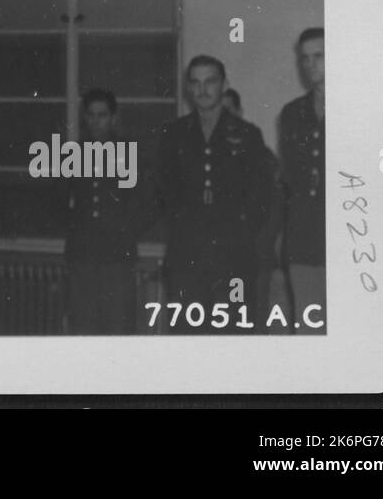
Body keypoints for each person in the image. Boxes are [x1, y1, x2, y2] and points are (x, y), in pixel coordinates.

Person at [154, 55, 269, 333]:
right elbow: (163, 191)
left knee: (234, 338)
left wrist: (239, 232)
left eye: (210, 82)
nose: (202, 89)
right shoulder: (174, 134)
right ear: (187, 88)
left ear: (224, 85)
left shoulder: (247, 134)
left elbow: (261, 195)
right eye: (195, 83)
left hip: (234, 256)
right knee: (188, 338)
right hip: (187, 257)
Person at [64, 89, 150, 335]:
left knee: (118, 328)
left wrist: (127, 230)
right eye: (90, 115)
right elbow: (58, 200)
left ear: (113, 118)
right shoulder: (73, 154)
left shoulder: (129, 153)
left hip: (118, 257)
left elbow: (147, 201)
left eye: (102, 115)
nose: (96, 121)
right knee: (83, 328)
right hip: (82, 257)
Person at [274, 27, 326, 331]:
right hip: (303, 238)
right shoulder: (292, 113)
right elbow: (289, 182)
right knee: (310, 327)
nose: (310, 65)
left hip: (350, 238)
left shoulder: (361, 108)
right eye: (304, 58)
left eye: (318, 56)